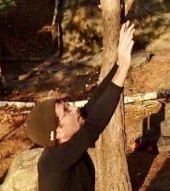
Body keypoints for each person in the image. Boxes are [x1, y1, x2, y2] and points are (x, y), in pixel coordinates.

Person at [25, 21, 135, 191]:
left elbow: (93, 105)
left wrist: (119, 64)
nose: (75, 109)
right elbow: (93, 126)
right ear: (58, 132)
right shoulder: (53, 162)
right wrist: (123, 70)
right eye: (66, 111)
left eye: (68, 105)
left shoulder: (65, 145)